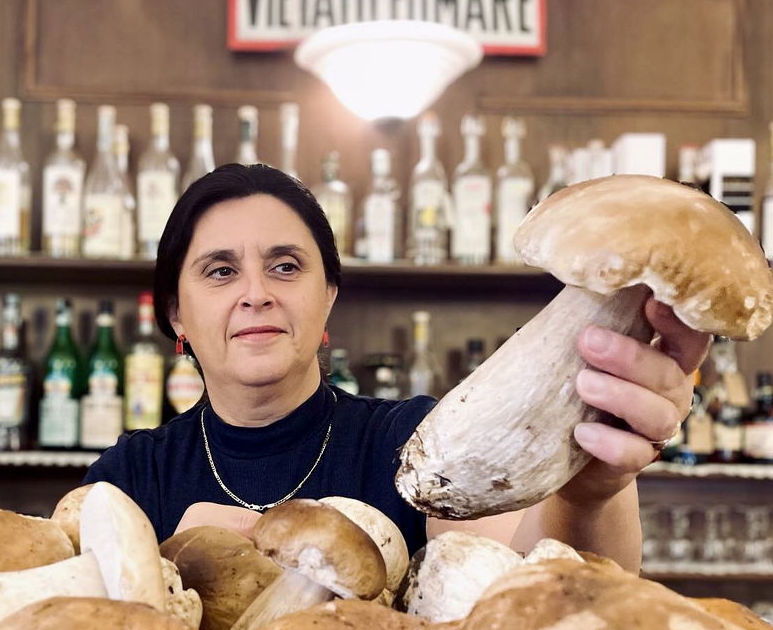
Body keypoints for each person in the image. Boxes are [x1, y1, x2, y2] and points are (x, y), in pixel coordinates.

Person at [83, 163, 708, 572]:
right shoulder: (128, 477)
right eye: (220, 271)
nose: (256, 293)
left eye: (286, 266)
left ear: (328, 294)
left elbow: (537, 584)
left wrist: (592, 491)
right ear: (176, 314)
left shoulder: (417, 441)